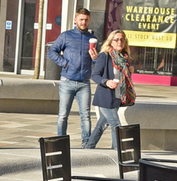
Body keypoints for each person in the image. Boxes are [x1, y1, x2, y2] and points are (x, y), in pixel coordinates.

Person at [47, 8, 99, 147]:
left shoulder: (92, 39)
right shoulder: (66, 36)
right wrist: (65, 63)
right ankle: (61, 142)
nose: (83, 22)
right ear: (75, 20)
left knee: (86, 116)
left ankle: (86, 143)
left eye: (86, 19)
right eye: (81, 19)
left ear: (90, 20)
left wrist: (95, 58)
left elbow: (96, 61)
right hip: (67, 81)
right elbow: (52, 51)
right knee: (63, 115)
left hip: (84, 83)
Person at [85, 30, 135, 150]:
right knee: (115, 125)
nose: (119, 42)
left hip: (118, 97)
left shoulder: (125, 59)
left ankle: (88, 148)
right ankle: (118, 154)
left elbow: (123, 80)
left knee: (101, 125)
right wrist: (106, 82)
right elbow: (95, 75)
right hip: (105, 97)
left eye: (122, 40)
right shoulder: (104, 56)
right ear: (111, 42)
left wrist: (130, 71)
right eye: (116, 39)